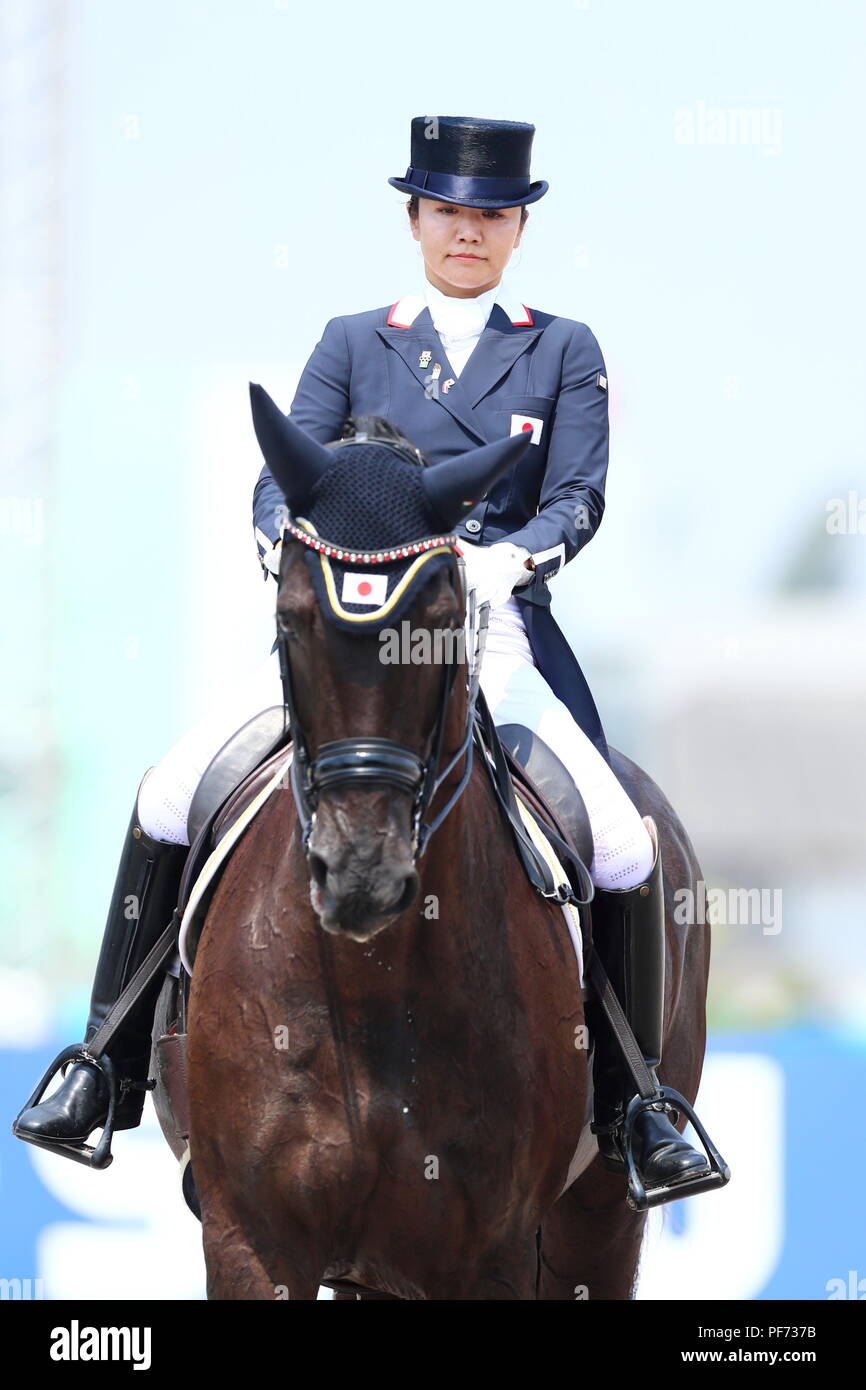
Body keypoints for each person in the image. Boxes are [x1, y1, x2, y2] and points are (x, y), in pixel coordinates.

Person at [14, 114, 710, 1197]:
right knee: (164, 792)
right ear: (416, 219)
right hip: (347, 635)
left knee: (619, 842)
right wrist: (272, 540)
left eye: (489, 215)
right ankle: (103, 1063)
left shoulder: (561, 348)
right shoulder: (352, 341)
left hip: (490, 631)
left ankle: (635, 1108)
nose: (467, 232)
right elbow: (282, 470)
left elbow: (577, 492)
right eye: (448, 212)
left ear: (517, 227)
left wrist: (507, 563)